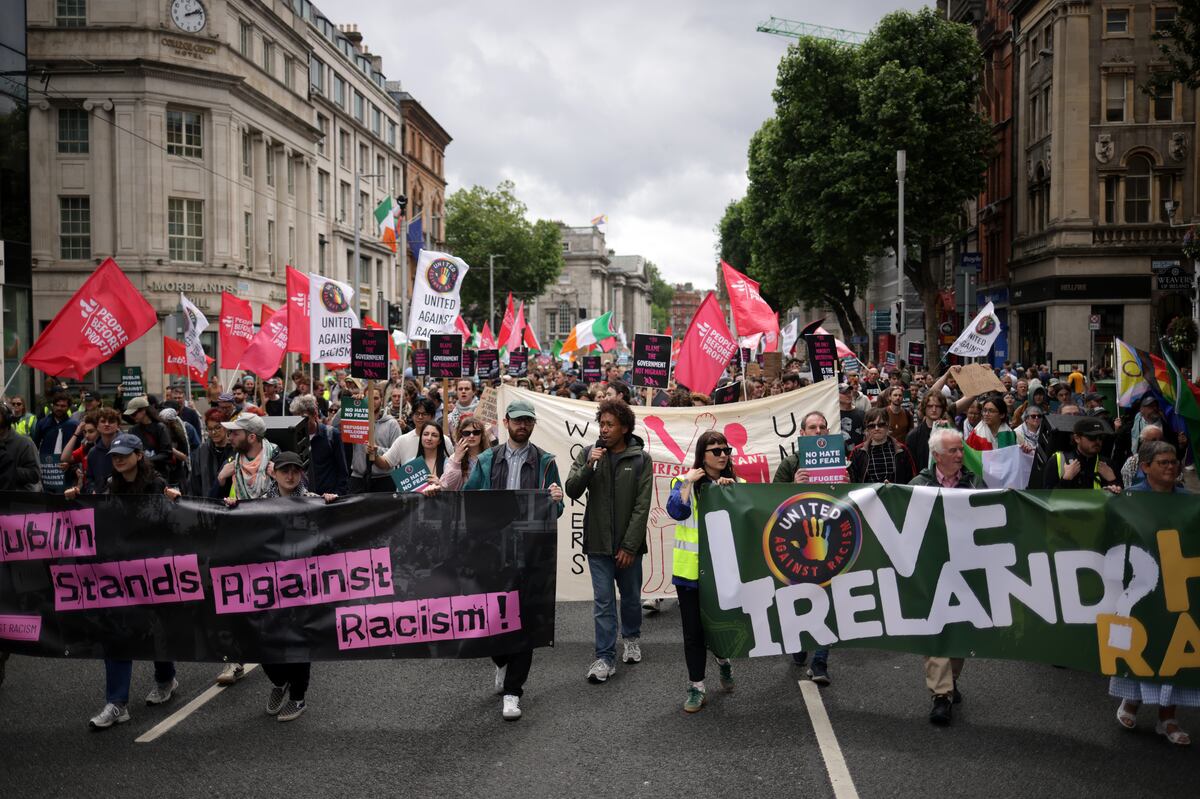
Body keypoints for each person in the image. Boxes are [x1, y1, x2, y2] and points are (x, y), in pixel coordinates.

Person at [459, 399, 565, 720]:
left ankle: (513, 692)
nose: (523, 426)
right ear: (506, 422)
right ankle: (502, 662)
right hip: (493, 553)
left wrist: (557, 500)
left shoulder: (546, 462)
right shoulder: (488, 460)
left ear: (533, 424)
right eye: (517, 421)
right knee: (491, 619)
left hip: (530, 555)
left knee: (526, 623)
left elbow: (556, 510)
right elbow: (469, 500)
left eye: (527, 421)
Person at [231, 450, 337, 722]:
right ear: (273, 472)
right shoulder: (257, 505)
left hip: (303, 588)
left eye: (295, 470)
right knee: (264, 642)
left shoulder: (314, 502)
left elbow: (332, 537)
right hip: (268, 587)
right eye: (284, 470)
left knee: (298, 642)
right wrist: (230, 509)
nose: (290, 475)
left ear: (302, 473)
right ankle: (280, 681)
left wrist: (334, 507)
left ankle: (298, 696)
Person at [88, 433, 182, 730]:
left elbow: (172, 524)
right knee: (116, 632)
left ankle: (166, 678)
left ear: (139, 456)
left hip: (151, 570)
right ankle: (117, 703)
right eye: (114, 455)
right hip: (118, 571)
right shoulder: (109, 485)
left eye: (124, 454)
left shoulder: (156, 484)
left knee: (155, 628)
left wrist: (174, 502)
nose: (117, 459)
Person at [1110, 439, 1196, 745]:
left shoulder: (1188, 500)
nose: (1171, 466)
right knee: (1139, 646)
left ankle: (1167, 718)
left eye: (1174, 461)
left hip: (1176, 588)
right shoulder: (1131, 497)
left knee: (1173, 649)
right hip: (1140, 588)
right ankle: (1131, 701)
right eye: (1163, 462)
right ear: (1146, 467)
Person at [565, 399, 652, 684]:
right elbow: (572, 490)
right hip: (597, 544)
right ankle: (604, 657)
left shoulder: (641, 459)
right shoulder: (590, 454)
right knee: (603, 602)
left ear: (624, 428)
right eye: (601, 424)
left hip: (629, 547)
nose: (603, 429)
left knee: (630, 598)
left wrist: (629, 546)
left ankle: (631, 637)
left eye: (610, 424)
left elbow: (642, 506)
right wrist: (590, 465)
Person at [908, 427, 984, 725]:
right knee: (935, 629)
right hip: (931, 569)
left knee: (960, 630)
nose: (959, 455)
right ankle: (940, 695)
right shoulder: (918, 485)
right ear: (937, 456)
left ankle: (950, 679)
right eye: (953, 451)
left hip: (965, 569)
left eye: (960, 450)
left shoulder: (974, 482)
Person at [665, 431, 739, 712]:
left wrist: (732, 493)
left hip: (722, 573)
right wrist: (687, 482)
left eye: (725, 450)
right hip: (690, 575)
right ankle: (696, 687)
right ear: (702, 455)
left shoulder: (734, 483)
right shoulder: (683, 481)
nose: (722, 455)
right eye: (715, 450)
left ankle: (723, 661)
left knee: (719, 628)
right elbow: (678, 511)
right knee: (693, 633)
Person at [772, 412, 837, 684]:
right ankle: (799, 642)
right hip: (797, 541)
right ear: (802, 433)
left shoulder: (837, 457)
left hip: (830, 538)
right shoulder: (791, 463)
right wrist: (793, 486)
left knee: (830, 597)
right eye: (813, 428)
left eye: (823, 427)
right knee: (799, 595)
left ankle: (820, 661)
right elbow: (772, 498)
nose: (819, 432)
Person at [214, 413, 278, 686]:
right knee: (234, 599)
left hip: (270, 541)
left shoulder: (278, 459)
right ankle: (234, 660)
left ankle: (279, 651)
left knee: (270, 599)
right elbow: (209, 502)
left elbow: (297, 494)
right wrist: (220, 482)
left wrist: (280, 479)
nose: (230, 437)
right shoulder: (231, 463)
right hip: (238, 540)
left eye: (235, 433)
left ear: (251, 437)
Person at [1042, 416, 1121, 492]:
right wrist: (1066, 479)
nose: (1097, 441)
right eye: (1092, 437)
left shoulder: (1108, 464)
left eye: (1100, 437)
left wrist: (1112, 480)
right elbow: (1047, 498)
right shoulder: (1059, 460)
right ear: (1077, 438)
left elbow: (1120, 499)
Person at [290, 394, 348, 496]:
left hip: (327, 499)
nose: (300, 423)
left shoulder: (331, 435)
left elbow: (342, 470)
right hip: (302, 499)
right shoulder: (293, 438)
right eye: (297, 419)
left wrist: (337, 494)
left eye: (305, 419)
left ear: (315, 414)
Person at [347, 387, 402, 493]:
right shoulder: (356, 420)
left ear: (382, 400)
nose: (372, 402)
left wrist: (377, 451)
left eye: (376, 398)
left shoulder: (392, 424)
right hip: (358, 478)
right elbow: (337, 425)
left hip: (383, 479)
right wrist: (351, 405)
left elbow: (396, 454)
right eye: (369, 398)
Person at [848, 407, 916, 484]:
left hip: (896, 495)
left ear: (888, 425)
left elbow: (912, 480)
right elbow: (852, 481)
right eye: (872, 426)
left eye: (881, 425)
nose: (876, 428)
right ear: (867, 428)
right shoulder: (857, 452)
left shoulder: (902, 450)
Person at [370, 397, 436, 473]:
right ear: (412, 415)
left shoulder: (443, 440)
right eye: (417, 413)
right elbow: (386, 463)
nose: (420, 417)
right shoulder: (402, 440)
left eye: (424, 414)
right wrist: (375, 454)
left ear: (432, 416)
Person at [32, 392, 77, 493]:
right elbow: (35, 445)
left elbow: (78, 449)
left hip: (67, 471)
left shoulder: (74, 425)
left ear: (68, 407)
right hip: (47, 469)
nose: (59, 408)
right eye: (56, 405)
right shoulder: (42, 423)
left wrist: (71, 464)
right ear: (52, 405)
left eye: (63, 406)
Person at [122, 396, 173, 480]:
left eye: (134, 414)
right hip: (139, 475)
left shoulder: (160, 427)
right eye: (130, 415)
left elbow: (167, 454)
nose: (132, 417)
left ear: (144, 410)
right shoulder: (133, 430)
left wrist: (146, 460)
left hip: (159, 474)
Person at [189, 408, 235, 498]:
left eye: (218, 428)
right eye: (210, 429)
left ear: (226, 427)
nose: (214, 432)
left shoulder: (235, 450)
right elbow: (194, 483)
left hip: (231, 505)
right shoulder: (202, 451)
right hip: (207, 505)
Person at [440, 416, 492, 490]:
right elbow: (448, 486)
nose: (471, 436)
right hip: (462, 499)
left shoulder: (490, 456)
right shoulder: (453, 458)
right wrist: (457, 461)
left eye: (476, 432)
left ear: (482, 434)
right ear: (461, 435)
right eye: (466, 433)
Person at [0, 399, 40, 491]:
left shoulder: (25, 444)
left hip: (16, 499)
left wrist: (9, 470)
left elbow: (34, 475)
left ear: (7, 419)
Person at [907, 391, 951, 471]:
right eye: (930, 406)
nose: (934, 409)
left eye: (938, 406)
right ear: (924, 407)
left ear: (942, 408)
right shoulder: (913, 436)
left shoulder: (949, 433)